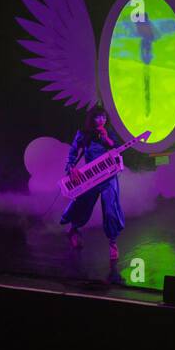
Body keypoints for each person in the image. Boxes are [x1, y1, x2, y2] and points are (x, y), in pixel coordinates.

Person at [61, 104, 127, 260]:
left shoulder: (109, 133)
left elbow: (117, 149)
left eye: (104, 116)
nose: (101, 120)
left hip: (109, 177)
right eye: (98, 116)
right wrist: (71, 168)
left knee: (111, 209)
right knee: (82, 205)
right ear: (92, 119)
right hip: (89, 177)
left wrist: (107, 139)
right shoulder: (83, 134)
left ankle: (112, 243)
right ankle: (74, 230)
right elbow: (73, 152)